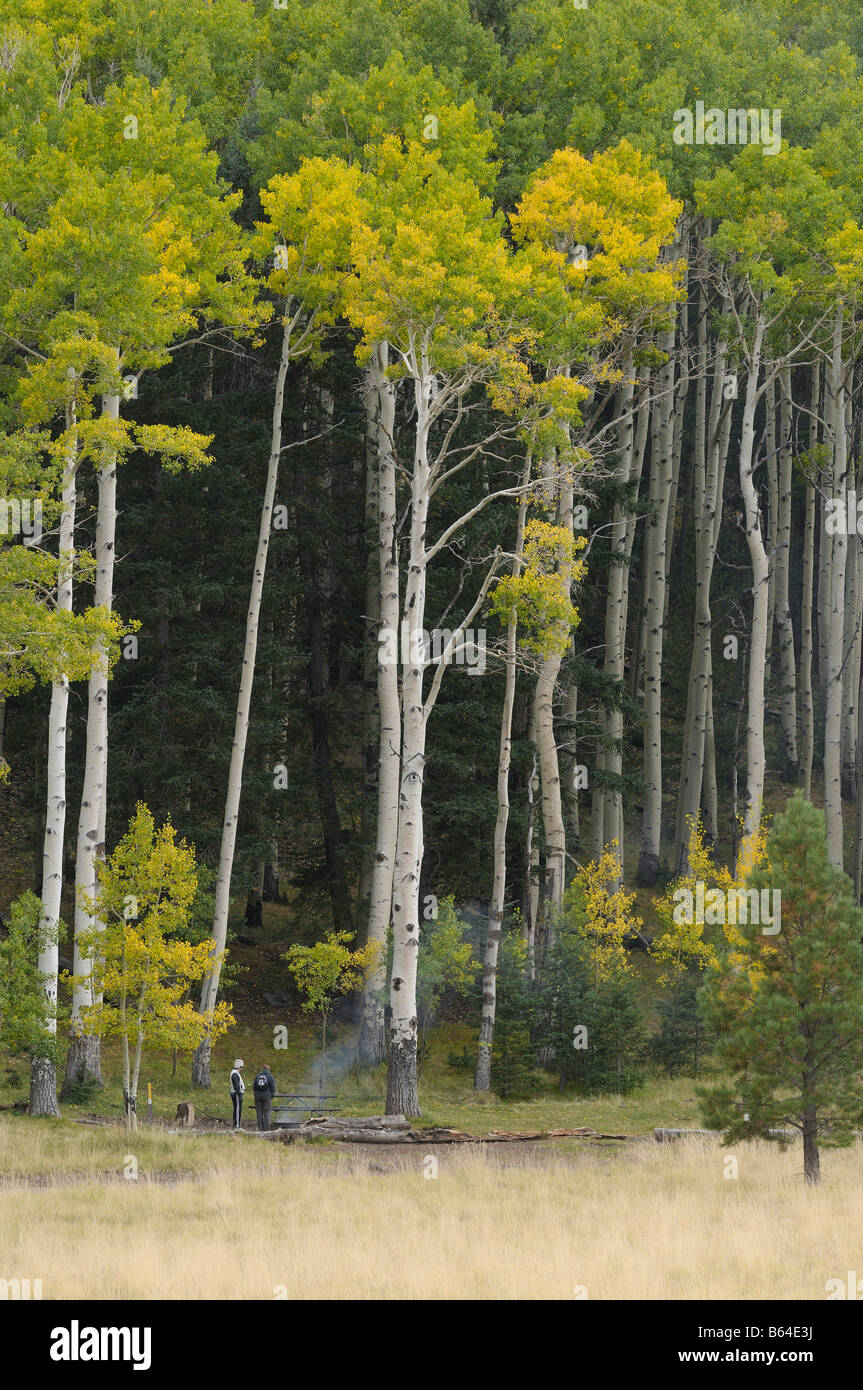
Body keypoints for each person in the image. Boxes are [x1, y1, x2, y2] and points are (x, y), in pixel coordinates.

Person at [252, 1064, 276, 1131]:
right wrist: (271, 1096)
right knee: (266, 1113)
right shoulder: (270, 1077)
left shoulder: (257, 1076)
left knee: (259, 1112)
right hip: (267, 1097)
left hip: (257, 1097)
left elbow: (254, 1087)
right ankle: (267, 1129)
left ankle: (260, 1129)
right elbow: (273, 1088)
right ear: (268, 1070)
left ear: (262, 1069)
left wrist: (256, 1094)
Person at [229, 1059, 245, 1130]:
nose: (242, 1068)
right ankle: (237, 1126)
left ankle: (236, 1125)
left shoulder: (235, 1073)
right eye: (242, 1067)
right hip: (236, 1094)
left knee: (237, 1109)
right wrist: (239, 1094)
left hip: (236, 1093)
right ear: (239, 1067)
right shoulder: (235, 1074)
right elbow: (236, 1086)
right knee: (238, 1110)